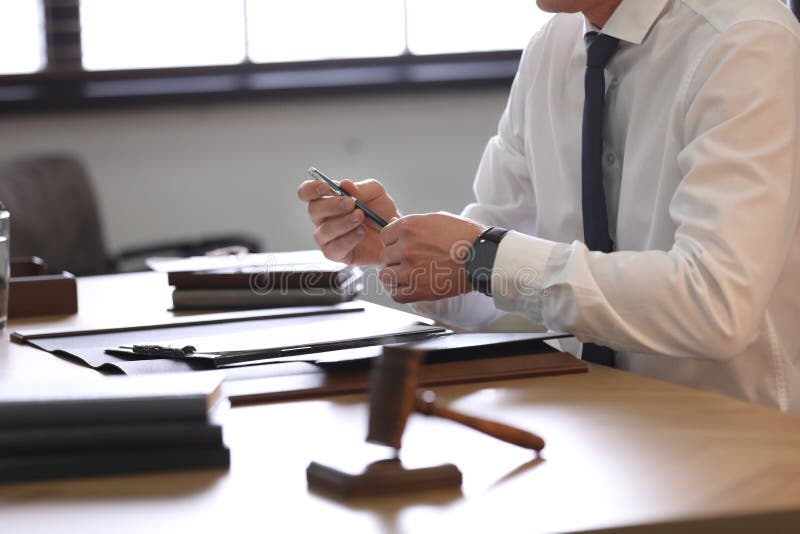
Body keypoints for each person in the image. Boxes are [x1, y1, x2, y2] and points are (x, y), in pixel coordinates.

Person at [297, 0, 800, 412]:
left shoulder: (745, 43)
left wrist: (484, 257)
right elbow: (495, 280)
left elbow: (714, 305)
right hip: (594, 428)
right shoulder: (551, 47)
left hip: (738, 435)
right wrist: (401, 246)